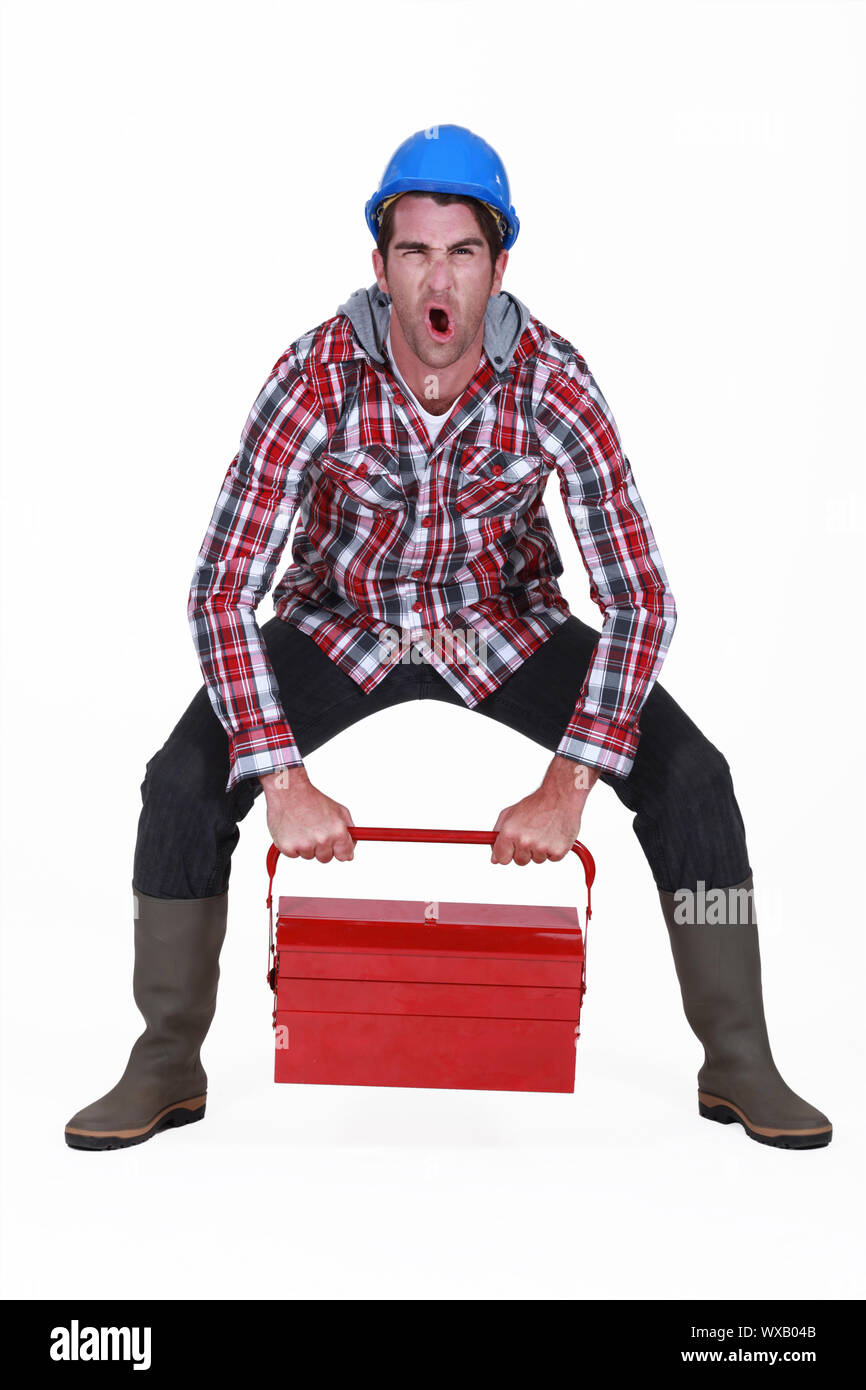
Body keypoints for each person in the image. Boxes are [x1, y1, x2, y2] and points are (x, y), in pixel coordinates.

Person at [64, 124, 831, 1152]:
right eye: (414, 251)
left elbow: (639, 598)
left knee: (692, 774)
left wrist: (567, 786)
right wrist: (283, 779)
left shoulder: (553, 381)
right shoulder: (312, 374)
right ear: (379, 268)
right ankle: (164, 1061)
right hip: (345, 624)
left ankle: (739, 1059)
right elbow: (220, 591)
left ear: (497, 267)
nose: (438, 275)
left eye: (461, 252)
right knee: (183, 779)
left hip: (498, 624)